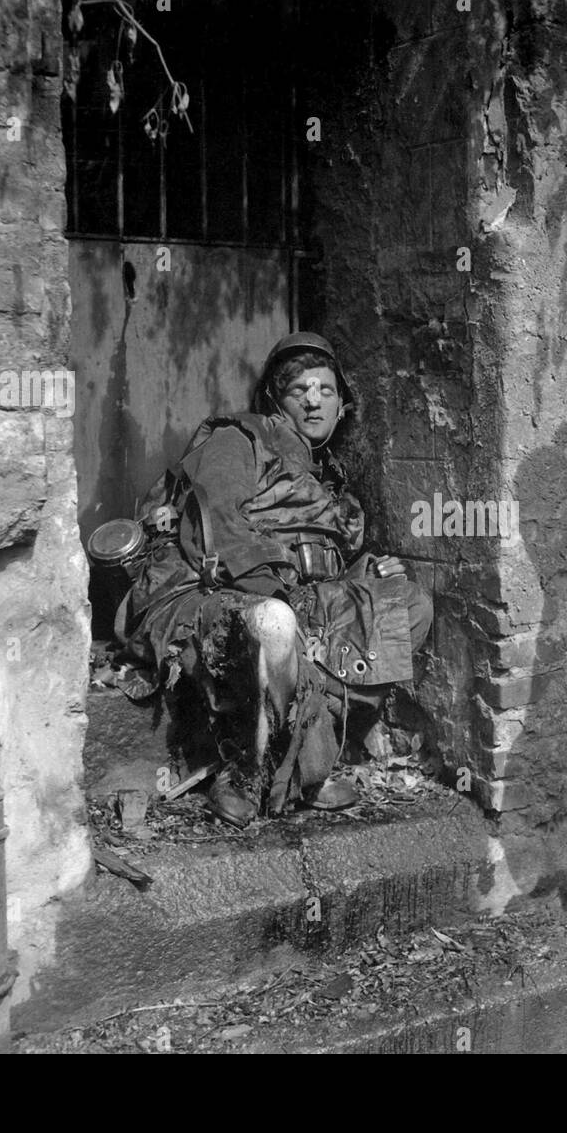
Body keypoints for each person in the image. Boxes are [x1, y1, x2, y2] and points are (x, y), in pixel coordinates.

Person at [115, 332, 433, 825]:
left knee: (407, 604)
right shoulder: (239, 438)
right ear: (275, 398)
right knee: (275, 623)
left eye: (326, 390)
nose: (313, 399)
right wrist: (277, 589)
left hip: (302, 596)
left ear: (341, 405)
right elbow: (213, 520)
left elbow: (323, 559)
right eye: (299, 389)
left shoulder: (327, 477)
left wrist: (363, 574)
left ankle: (307, 747)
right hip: (227, 588)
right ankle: (250, 768)